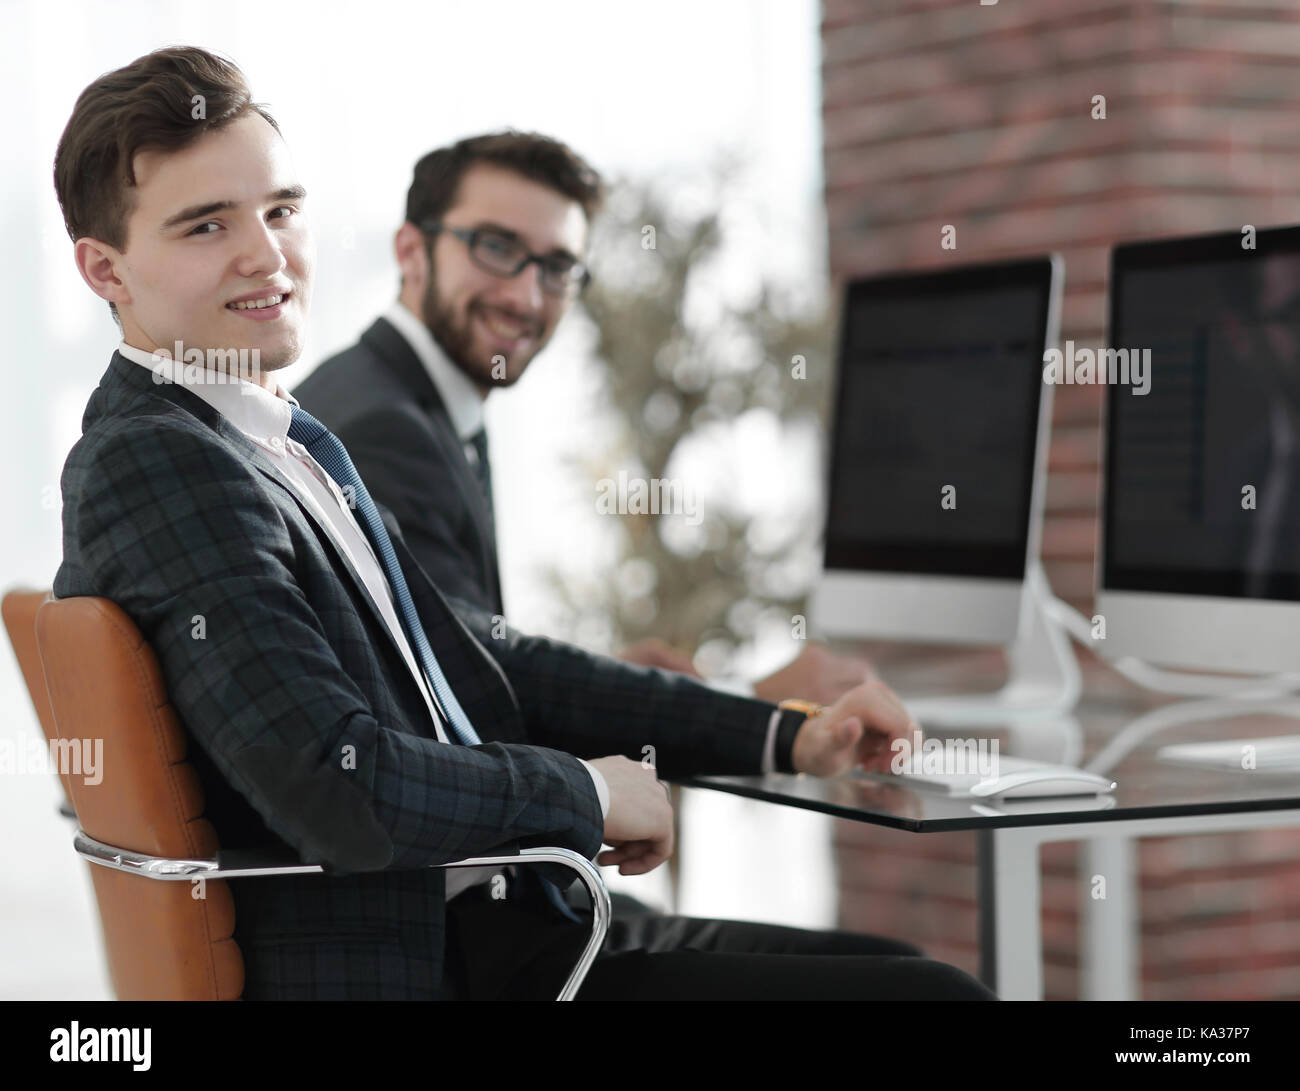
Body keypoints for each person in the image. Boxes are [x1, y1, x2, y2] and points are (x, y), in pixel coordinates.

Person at [51, 45, 994, 1001]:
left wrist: (780, 732)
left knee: (919, 977)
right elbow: (337, 783)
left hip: (499, 914)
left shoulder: (277, 439)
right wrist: (581, 794)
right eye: (206, 225)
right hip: (442, 955)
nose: (267, 253)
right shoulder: (159, 459)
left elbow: (486, 667)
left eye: (281, 210)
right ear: (106, 270)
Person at [293, 130, 875, 706]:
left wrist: (608, 678)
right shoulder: (384, 428)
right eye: (496, 248)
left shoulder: (403, 398)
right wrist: (748, 698)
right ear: (411, 252)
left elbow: (466, 658)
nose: (527, 298)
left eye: (557, 267)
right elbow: (480, 692)